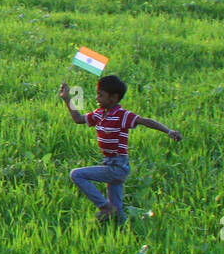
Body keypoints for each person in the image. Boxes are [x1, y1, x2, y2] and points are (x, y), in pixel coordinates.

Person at [57, 75, 181, 222]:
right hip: (109, 163)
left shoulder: (122, 115)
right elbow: (78, 119)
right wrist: (67, 99)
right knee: (118, 211)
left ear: (114, 98)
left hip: (118, 166)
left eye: (101, 95)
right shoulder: (99, 114)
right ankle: (127, 230)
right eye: (97, 94)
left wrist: (168, 131)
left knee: (77, 175)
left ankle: (104, 206)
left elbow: (145, 121)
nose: (97, 98)